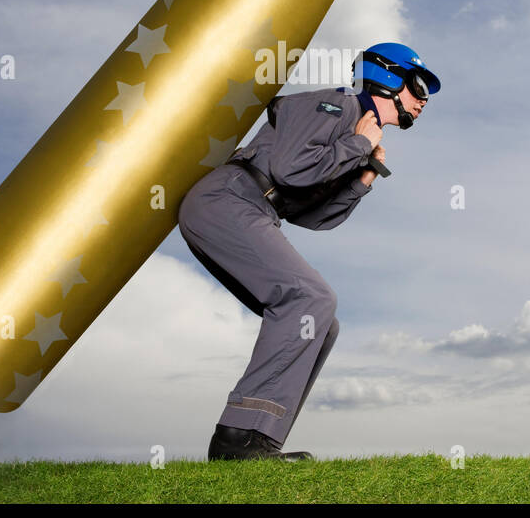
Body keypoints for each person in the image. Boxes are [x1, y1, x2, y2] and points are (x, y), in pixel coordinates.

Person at [177, 42, 441, 461]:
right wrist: (357, 145)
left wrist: (363, 179)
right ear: (388, 78)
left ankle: (260, 439)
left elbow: (314, 218)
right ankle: (236, 439)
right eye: (419, 87)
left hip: (255, 210)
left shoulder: (358, 132)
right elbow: (290, 170)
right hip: (228, 200)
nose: (424, 100)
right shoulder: (337, 105)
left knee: (322, 323)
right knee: (311, 298)